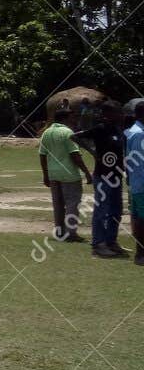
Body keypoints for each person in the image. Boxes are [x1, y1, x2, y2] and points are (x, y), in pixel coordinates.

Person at [75, 102, 129, 259]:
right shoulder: (100, 129)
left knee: (116, 210)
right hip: (103, 176)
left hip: (116, 176)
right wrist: (93, 152)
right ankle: (98, 244)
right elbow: (75, 136)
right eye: (117, 112)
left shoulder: (117, 129)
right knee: (102, 210)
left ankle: (111, 241)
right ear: (107, 114)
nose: (120, 115)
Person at [40, 108, 93, 246]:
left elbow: (42, 155)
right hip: (69, 174)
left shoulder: (46, 132)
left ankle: (59, 232)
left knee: (58, 205)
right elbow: (75, 155)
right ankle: (71, 233)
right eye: (72, 117)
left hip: (53, 174)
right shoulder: (68, 132)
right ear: (65, 118)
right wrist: (87, 173)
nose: (75, 120)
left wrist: (45, 175)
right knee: (72, 204)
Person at [126, 100, 144, 265]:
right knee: (141, 220)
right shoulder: (139, 134)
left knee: (139, 217)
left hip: (137, 183)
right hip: (141, 183)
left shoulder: (135, 131)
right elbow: (139, 164)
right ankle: (140, 254)